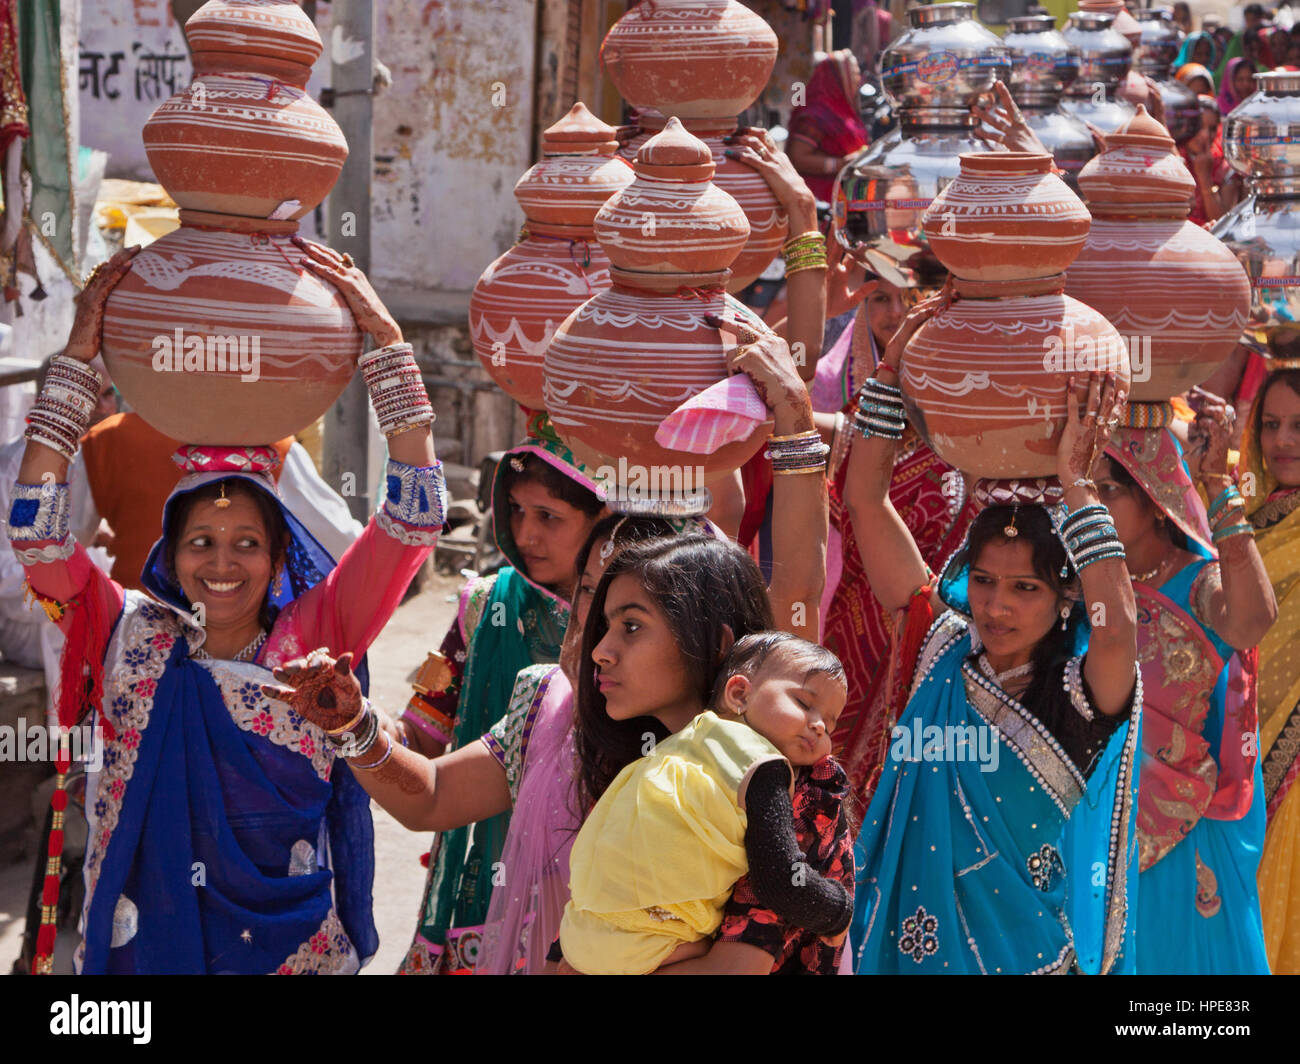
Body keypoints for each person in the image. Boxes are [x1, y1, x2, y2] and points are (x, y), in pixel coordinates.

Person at [265, 323, 831, 975]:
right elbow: (431, 799)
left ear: (715, 641)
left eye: (633, 621)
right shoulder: (551, 709)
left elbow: (797, 584)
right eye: (589, 595)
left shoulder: (757, 764)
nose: (595, 638)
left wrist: (791, 421)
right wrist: (352, 725)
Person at [6, 240, 448, 974]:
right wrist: (76, 365)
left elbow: (413, 521)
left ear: (279, 560)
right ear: (169, 557)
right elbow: (35, 530)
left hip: (288, 946)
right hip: (152, 947)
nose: (221, 563)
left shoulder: (316, 634)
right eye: (201, 541)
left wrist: (390, 353)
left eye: (247, 542)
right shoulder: (128, 632)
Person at [843, 291, 1142, 974]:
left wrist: (1077, 487)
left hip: (1030, 954)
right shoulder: (941, 646)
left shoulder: (1079, 690)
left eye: (1025, 588)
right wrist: (889, 379)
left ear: (1066, 596)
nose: (996, 607)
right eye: (984, 580)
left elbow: (1118, 632)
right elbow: (865, 499)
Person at [395, 414, 605, 974]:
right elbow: (425, 725)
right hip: (484, 874)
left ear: (602, 521)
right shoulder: (483, 607)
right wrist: (372, 730)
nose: (526, 532)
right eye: (515, 510)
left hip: (594, 875)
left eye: (549, 517)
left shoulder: (631, 620)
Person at [558, 626, 852, 975]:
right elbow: (780, 879)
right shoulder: (762, 765)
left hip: (579, 938)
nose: (818, 726)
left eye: (830, 725)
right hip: (649, 947)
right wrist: (835, 913)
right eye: (804, 703)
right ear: (739, 693)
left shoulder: (678, 744)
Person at [1103, 407, 1275, 974]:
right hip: (1105, 826)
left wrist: (1220, 487)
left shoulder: (1199, 581)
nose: (1090, 508)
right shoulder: (1084, 584)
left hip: (1193, 828)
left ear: (1152, 498)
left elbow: (1252, 621)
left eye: (1108, 491)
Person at [1241, 368, 1300, 973]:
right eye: (1272, 424)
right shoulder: (1248, 519)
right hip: (1237, 751)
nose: (1283, 441)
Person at [787, 50, 870, 202]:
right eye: (854, 74)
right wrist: (839, 164)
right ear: (837, 77)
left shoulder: (842, 111)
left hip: (845, 194)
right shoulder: (814, 115)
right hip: (820, 201)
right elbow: (797, 158)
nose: (859, 80)